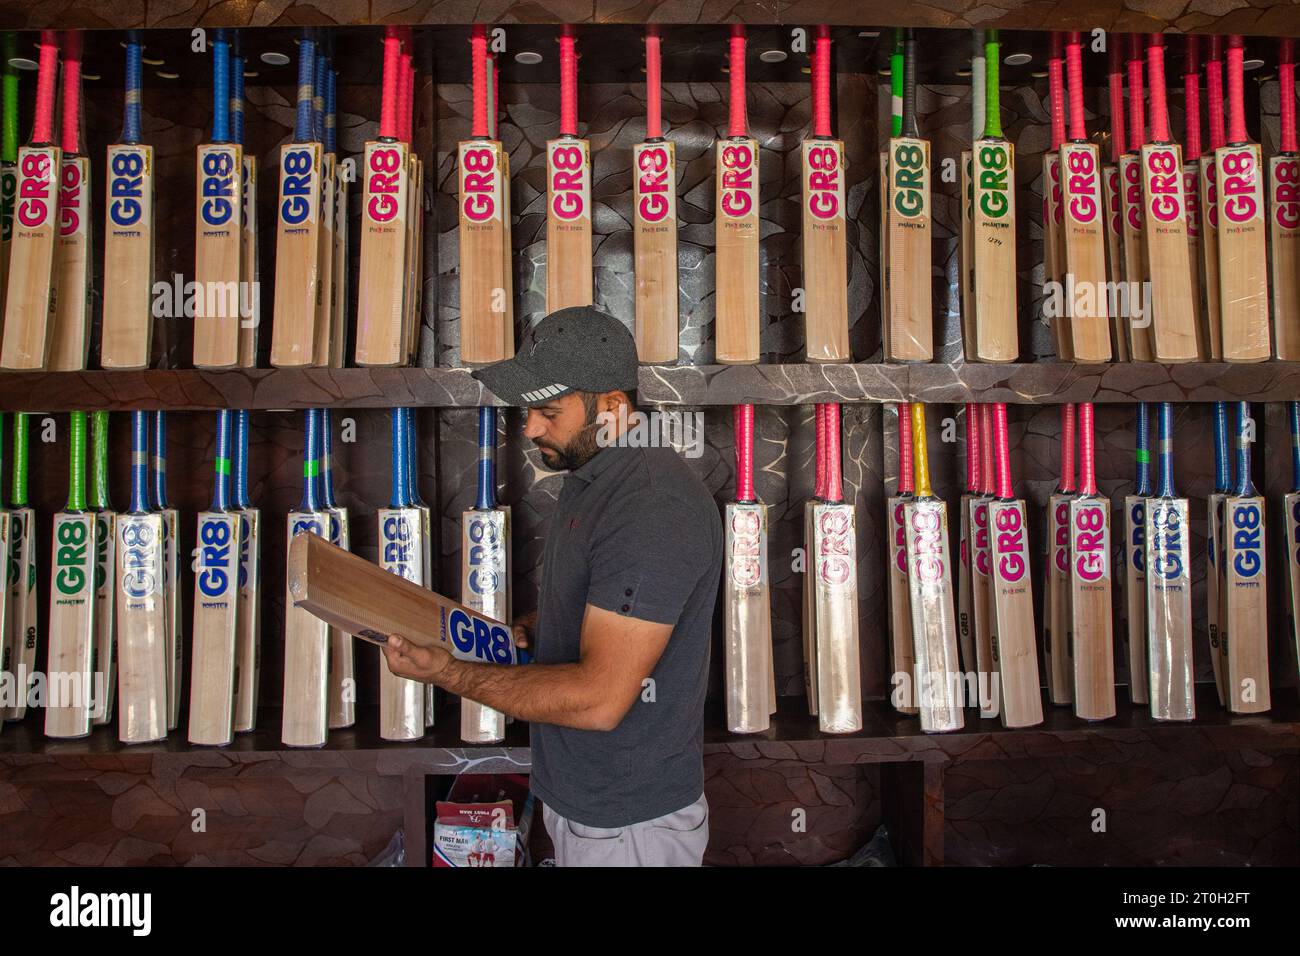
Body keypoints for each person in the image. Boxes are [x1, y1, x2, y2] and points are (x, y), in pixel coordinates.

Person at [382, 306, 723, 866]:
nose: (531, 427)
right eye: (528, 409)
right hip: (589, 806)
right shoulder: (595, 476)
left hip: (628, 824)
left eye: (547, 411)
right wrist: (531, 631)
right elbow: (611, 610)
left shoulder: (650, 508)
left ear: (613, 408)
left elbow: (599, 699)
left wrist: (445, 672)